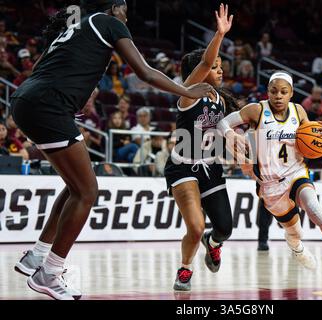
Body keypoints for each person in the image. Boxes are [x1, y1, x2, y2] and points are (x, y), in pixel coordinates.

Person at [10, 0, 212, 300]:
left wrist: (80, 88)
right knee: (88, 192)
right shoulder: (109, 23)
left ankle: (37, 256)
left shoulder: (74, 26)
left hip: (27, 100)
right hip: (48, 105)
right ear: (114, 8)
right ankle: (50, 273)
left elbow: (43, 67)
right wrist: (188, 90)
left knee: (76, 185)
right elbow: (145, 73)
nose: (127, 17)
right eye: (126, 10)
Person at [218, 71, 322, 284]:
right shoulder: (256, 110)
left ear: (291, 93)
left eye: (283, 92)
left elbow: (313, 135)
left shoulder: (298, 111)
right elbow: (222, 123)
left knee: (314, 207)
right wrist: (230, 133)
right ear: (267, 92)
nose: (278, 96)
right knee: (295, 232)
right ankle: (296, 247)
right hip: (270, 186)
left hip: (296, 173)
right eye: (273, 91)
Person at [164, 4, 235, 291]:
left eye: (220, 67)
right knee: (194, 226)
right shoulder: (188, 94)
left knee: (225, 229)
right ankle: (185, 268)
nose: (219, 71)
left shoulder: (220, 99)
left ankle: (213, 243)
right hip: (182, 166)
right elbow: (205, 63)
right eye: (215, 67)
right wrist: (219, 35)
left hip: (211, 167)